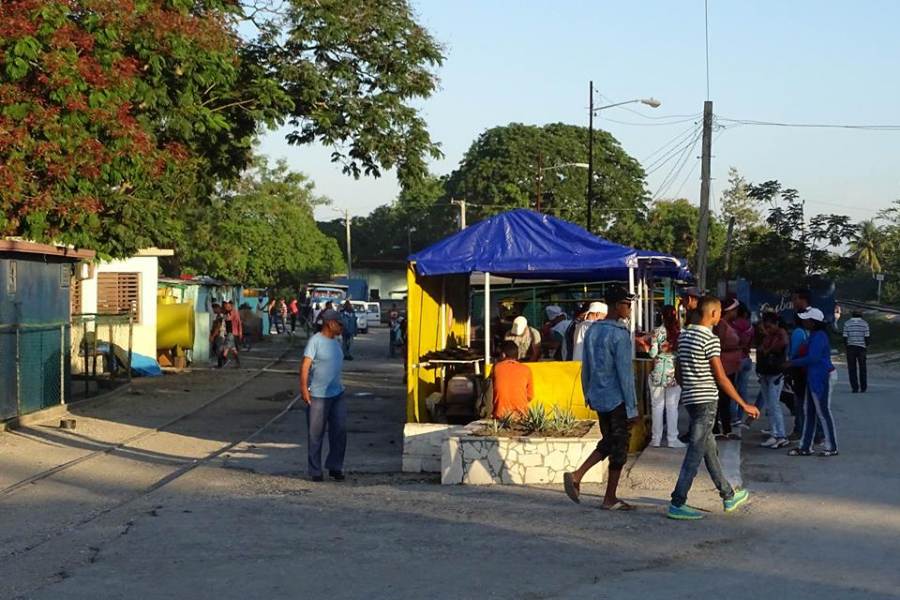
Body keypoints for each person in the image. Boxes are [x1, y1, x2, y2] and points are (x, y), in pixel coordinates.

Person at [667, 296, 760, 520]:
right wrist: (743, 404)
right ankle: (677, 502)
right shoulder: (710, 339)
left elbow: (678, 372)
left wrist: (690, 386)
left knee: (709, 450)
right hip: (707, 401)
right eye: (719, 313)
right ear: (713, 314)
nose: (720, 317)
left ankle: (728, 495)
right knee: (695, 453)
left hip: (690, 399)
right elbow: (721, 377)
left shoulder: (685, 335)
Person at [563, 287, 638, 511]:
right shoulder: (620, 334)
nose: (629, 308)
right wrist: (632, 408)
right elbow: (625, 375)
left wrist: (587, 393)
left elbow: (585, 366)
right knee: (619, 447)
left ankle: (578, 476)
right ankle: (609, 497)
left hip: (598, 396)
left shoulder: (593, 330)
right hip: (617, 399)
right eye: (627, 304)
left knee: (610, 441)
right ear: (617, 306)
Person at [300, 309, 347, 482]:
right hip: (318, 396)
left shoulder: (337, 342)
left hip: (337, 394)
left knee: (340, 431)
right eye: (339, 323)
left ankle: (335, 466)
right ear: (330, 323)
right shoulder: (315, 341)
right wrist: (304, 389)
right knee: (315, 434)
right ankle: (315, 471)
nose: (342, 327)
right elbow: (305, 366)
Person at [787, 308, 839, 457]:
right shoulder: (815, 335)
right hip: (814, 376)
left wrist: (792, 363)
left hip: (822, 376)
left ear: (813, 322)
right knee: (809, 411)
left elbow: (813, 358)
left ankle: (831, 446)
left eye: (806, 319)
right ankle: (805, 446)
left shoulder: (819, 336)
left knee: (823, 411)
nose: (804, 321)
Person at [648, 305, 685, 448]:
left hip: (657, 373)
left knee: (656, 407)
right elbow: (680, 354)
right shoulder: (679, 333)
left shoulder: (657, 332)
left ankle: (655, 439)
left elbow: (652, 354)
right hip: (673, 374)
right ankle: (672, 439)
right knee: (672, 407)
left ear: (661, 316)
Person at [756, 312, 790, 449]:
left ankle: (780, 435)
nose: (767, 329)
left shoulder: (781, 334)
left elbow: (775, 348)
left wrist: (767, 346)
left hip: (775, 373)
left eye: (769, 326)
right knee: (770, 405)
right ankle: (774, 433)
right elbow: (760, 348)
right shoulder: (769, 335)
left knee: (774, 404)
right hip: (765, 372)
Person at [713, 298, 742, 439]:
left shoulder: (727, 325)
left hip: (729, 367)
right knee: (722, 398)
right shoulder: (722, 326)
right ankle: (718, 429)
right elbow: (717, 346)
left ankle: (726, 428)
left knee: (725, 399)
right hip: (723, 367)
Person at [787, 289, 812, 439]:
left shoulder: (797, 333)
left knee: (800, 402)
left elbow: (794, 353)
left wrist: (789, 365)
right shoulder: (809, 332)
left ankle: (799, 429)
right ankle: (814, 432)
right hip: (807, 370)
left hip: (799, 371)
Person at [491, 340, 534, 419]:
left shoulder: (496, 368)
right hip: (521, 415)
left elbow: (490, 392)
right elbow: (530, 396)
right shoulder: (526, 369)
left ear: (503, 355)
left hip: (500, 414)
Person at [731, 303, 755, 429]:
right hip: (746, 358)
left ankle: (733, 417)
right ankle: (740, 417)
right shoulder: (750, 326)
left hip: (736, 360)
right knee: (743, 390)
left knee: (732, 389)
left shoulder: (733, 325)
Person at [842, 311, 870, 393]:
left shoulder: (847, 323)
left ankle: (855, 388)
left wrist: (847, 347)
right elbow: (867, 337)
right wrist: (866, 345)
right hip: (861, 348)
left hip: (850, 348)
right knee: (862, 368)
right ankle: (863, 387)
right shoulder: (865, 323)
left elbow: (845, 337)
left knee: (852, 368)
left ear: (852, 315)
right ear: (861, 315)